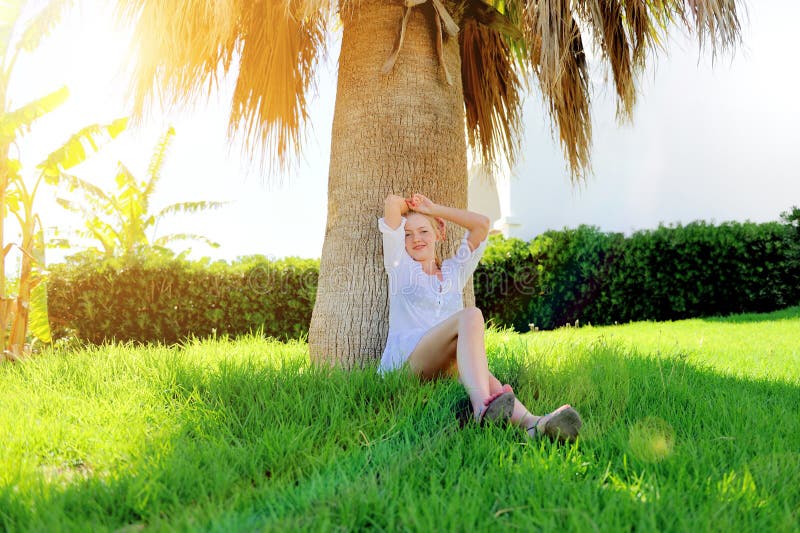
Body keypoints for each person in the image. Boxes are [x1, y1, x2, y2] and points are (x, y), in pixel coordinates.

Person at [378, 192, 582, 441]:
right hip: (406, 365)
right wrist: (410, 206)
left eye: (424, 231)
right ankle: (481, 408)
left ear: (439, 234)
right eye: (407, 234)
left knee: (479, 370)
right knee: (471, 316)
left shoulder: (454, 270)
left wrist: (434, 209)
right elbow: (391, 205)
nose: (416, 239)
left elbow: (482, 224)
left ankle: (534, 423)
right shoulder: (400, 267)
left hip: (446, 365)